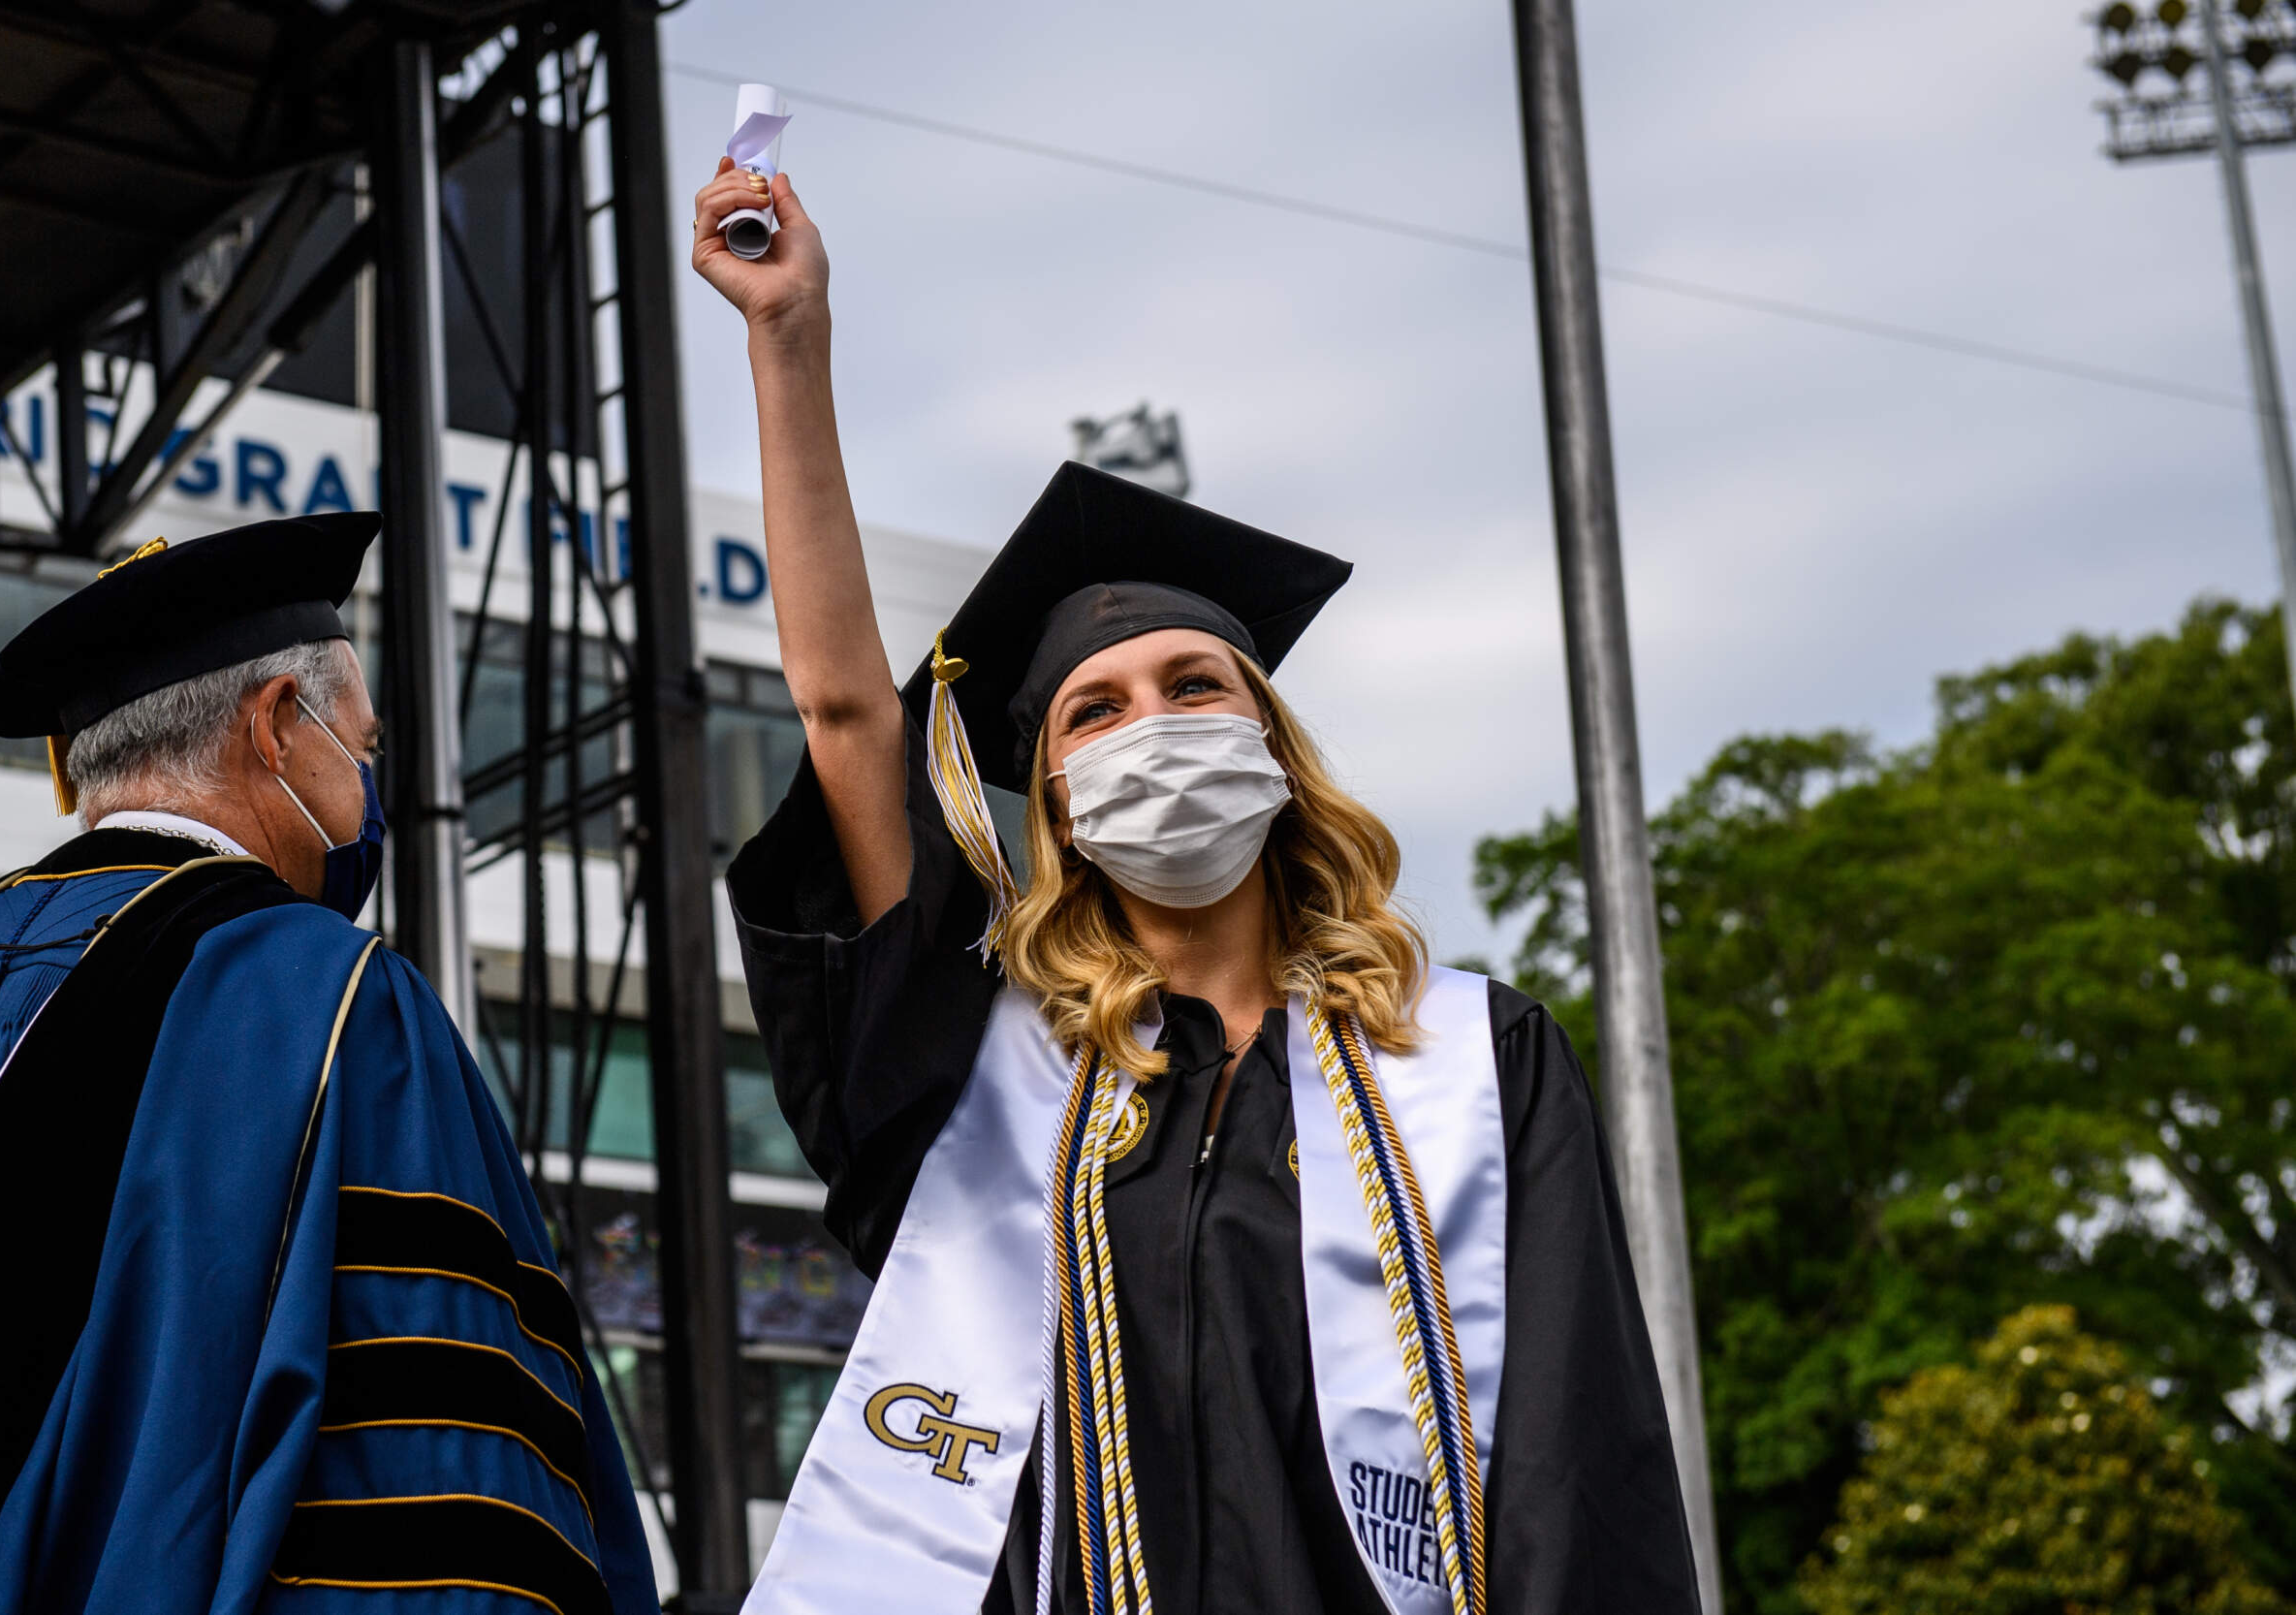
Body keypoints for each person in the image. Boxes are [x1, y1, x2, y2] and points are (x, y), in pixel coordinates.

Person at [690, 162, 1702, 1615]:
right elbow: (852, 717)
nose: (1152, 724)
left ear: (1273, 744)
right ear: (1052, 800)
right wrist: (790, 340)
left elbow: (1568, 1450)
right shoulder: (987, 1077)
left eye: (1191, 684)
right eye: (1090, 711)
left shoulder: (1475, 1065)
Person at [0, 515, 656, 1615]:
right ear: (279, 724)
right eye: (366, 748)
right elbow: (432, 1496)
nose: (365, 791)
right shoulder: (332, 1003)